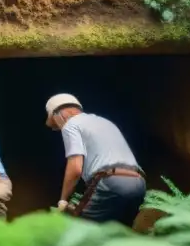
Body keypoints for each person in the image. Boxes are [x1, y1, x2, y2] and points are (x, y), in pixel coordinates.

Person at [45, 93, 146, 226]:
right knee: (118, 234)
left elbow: (75, 167)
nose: (58, 127)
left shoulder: (71, 125)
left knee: (81, 230)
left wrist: (63, 201)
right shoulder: (105, 122)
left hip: (110, 182)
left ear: (59, 114)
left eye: (55, 122)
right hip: (138, 183)